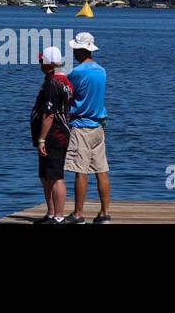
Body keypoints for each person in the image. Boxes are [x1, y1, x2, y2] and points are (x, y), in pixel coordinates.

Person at [65, 32, 110, 224]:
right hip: (98, 126)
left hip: (81, 126)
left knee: (80, 171)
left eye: (76, 49)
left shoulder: (77, 72)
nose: (74, 52)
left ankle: (78, 214)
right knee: (101, 170)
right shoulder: (102, 71)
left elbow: (68, 94)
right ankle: (104, 213)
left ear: (82, 50)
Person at [30, 46, 74, 224]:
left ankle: (59, 216)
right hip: (57, 134)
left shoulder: (53, 83)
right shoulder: (64, 81)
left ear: (48, 63)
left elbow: (49, 114)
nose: (40, 64)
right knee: (46, 175)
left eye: (42, 61)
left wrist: (42, 139)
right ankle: (51, 213)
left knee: (56, 176)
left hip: (54, 135)